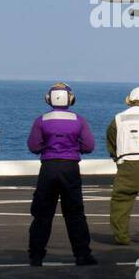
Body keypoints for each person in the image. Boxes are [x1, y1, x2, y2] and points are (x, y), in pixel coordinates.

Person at [26, 82, 97, 267]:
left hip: (48, 168)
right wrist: (73, 148)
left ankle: (36, 255)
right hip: (70, 168)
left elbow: (34, 146)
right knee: (75, 213)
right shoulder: (79, 120)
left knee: (42, 213)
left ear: (49, 99)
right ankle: (82, 254)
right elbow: (89, 146)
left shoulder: (41, 120)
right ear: (71, 99)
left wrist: (48, 148)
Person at [107, 87, 139, 245]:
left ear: (129, 100)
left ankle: (121, 237)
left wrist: (117, 158)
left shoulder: (118, 118)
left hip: (125, 165)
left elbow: (111, 140)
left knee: (120, 203)